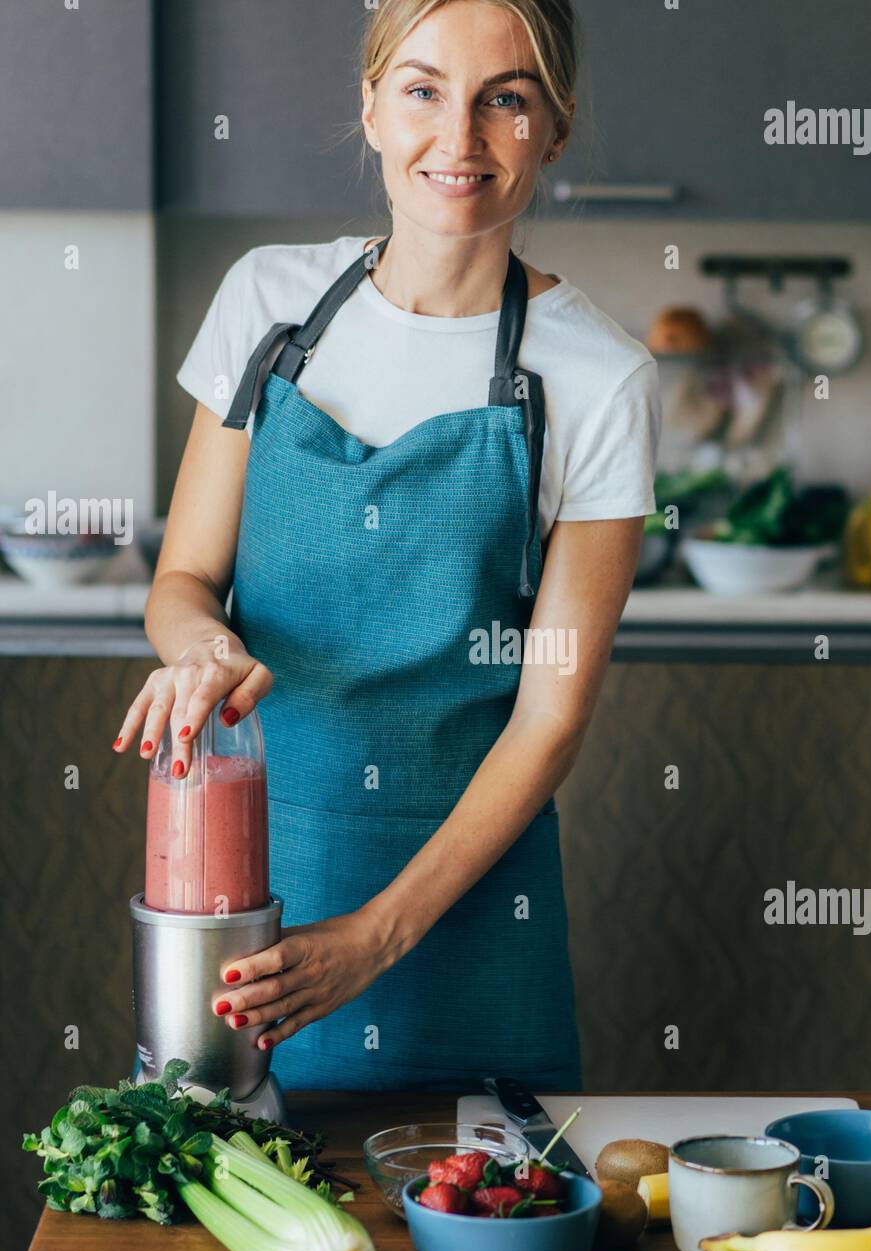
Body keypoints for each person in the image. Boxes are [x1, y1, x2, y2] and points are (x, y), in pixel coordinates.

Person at [115, 0, 660, 1092]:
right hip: (250, 880)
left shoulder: (599, 378)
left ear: (552, 127)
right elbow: (183, 581)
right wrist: (200, 651)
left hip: (463, 909)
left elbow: (550, 720)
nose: (456, 140)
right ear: (369, 107)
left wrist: (375, 934)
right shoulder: (265, 306)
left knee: (482, 1228)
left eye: (503, 99)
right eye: (421, 90)